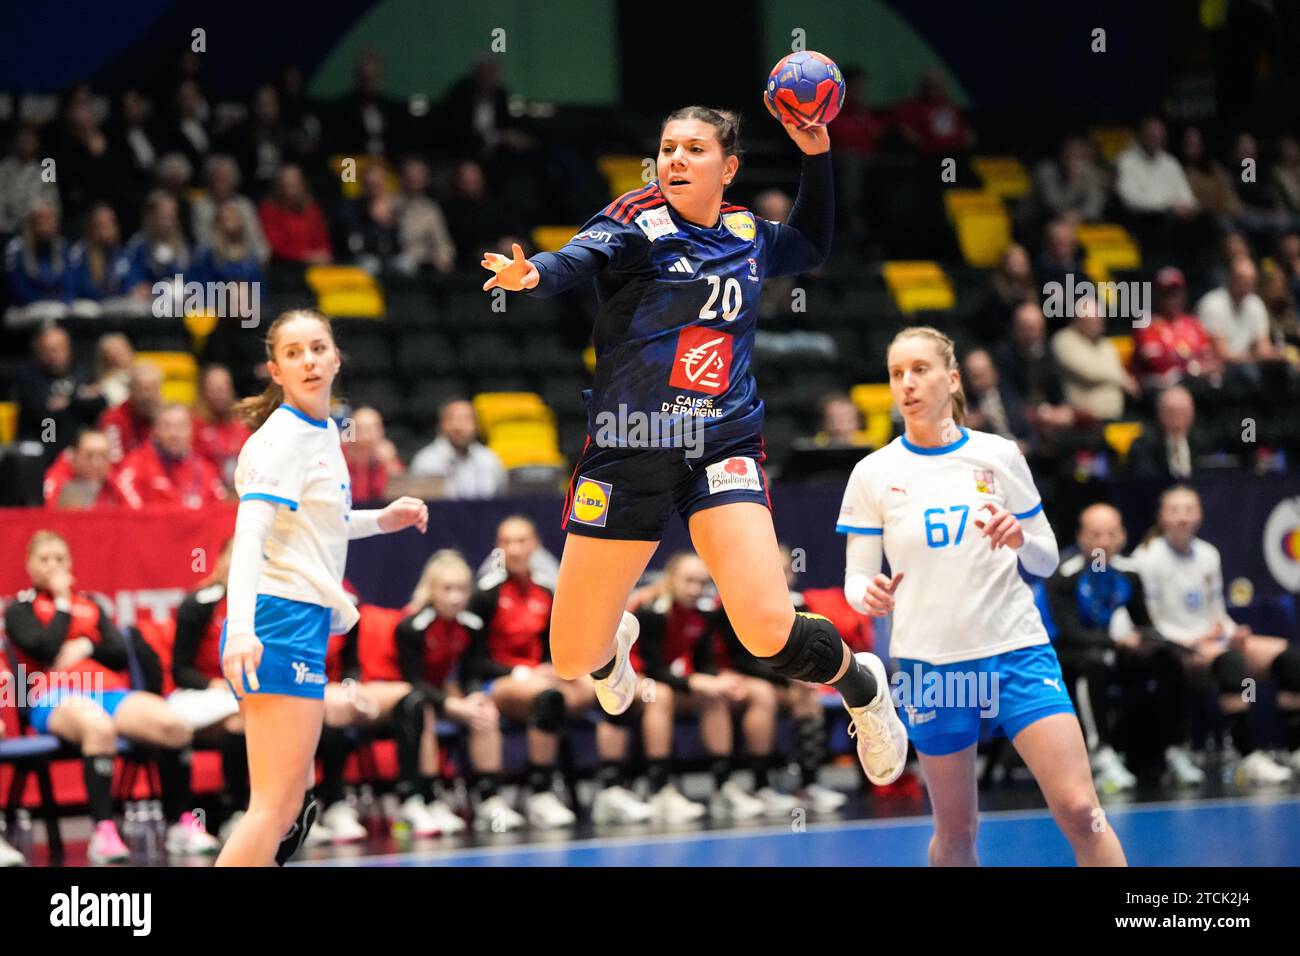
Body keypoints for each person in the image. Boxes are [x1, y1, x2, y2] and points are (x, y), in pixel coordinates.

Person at [481, 103, 906, 790]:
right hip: (629, 446)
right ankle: (614, 648)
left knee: (767, 630)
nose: (675, 159)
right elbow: (579, 256)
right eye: (667, 146)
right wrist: (534, 276)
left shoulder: (745, 231)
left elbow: (812, 245)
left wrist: (818, 153)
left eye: (693, 149)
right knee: (569, 657)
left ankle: (862, 687)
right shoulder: (636, 219)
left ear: (727, 166)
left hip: (720, 443)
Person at [840, 325, 1126, 865]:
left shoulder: (998, 455)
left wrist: (1019, 537)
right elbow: (857, 580)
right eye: (897, 374)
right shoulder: (873, 472)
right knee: (957, 832)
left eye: (920, 370)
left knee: (1081, 810)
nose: (907, 383)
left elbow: (1044, 557)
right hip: (932, 667)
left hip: (1016, 652)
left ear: (951, 379)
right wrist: (867, 594)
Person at [214, 309, 428, 866]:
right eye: (293, 353)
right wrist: (239, 630)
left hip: (300, 621)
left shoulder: (323, 430)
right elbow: (250, 535)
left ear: (336, 358)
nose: (308, 360)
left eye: (317, 348)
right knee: (272, 808)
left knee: (289, 804)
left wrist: (383, 519)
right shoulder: (282, 438)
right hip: (274, 622)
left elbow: (321, 523)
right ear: (275, 369)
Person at [5, 530, 221, 863]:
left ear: (71, 563)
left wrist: (86, 645)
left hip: (106, 690)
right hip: (52, 695)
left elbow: (119, 653)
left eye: (60, 559)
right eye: (44, 560)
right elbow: (44, 649)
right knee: (99, 728)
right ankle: (103, 832)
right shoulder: (20, 608)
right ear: (29, 565)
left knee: (174, 725)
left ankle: (180, 823)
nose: (53, 566)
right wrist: (62, 603)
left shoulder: (90, 604)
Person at [1132, 486, 1300, 783]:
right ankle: (1248, 756)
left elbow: (1217, 611)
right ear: (1161, 516)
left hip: (1213, 640)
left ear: (1199, 515)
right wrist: (1195, 640)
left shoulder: (1209, 554)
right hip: (1179, 649)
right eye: (1175, 510)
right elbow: (1151, 622)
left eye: (1189, 510)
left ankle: (1294, 748)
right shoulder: (1146, 559)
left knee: (1289, 657)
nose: (1183, 518)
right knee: (1232, 663)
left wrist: (1235, 631)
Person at [1047, 504, 1204, 791]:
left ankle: (1176, 750)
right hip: (1071, 657)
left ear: (1121, 537)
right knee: (1092, 662)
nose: (1103, 543)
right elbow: (1070, 633)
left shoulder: (1129, 573)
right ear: (1081, 537)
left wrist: (1155, 642)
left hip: (1116, 653)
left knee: (1166, 660)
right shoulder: (1064, 576)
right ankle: (1101, 754)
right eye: (1095, 535)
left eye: (1110, 534)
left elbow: (1143, 623)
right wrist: (1117, 642)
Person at [459, 516, 593, 828]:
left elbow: (551, 646)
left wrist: (552, 667)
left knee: (594, 690)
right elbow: (472, 660)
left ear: (535, 545)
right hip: (499, 681)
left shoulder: (546, 591)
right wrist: (520, 672)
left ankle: (614, 787)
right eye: (507, 542)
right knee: (548, 697)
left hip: (538, 679)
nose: (515, 549)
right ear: (498, 548)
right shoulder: (485, 594)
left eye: (522, 541)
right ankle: (540, 793)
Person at [396, 550, 525, 833]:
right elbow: (412, 681)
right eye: (447, 589)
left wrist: (475, 695)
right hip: (411, 699)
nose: (455, 597)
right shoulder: (411, 626)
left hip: (446, 694)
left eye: (462, 589)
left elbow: (471, 672)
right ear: (431, 589)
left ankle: (489, 798)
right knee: (423, 711)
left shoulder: (471, 625)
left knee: (485, 711)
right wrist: (452, 705)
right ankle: (429, 799)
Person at [113, 403, 229, 509]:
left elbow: (220, 512)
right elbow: (133, 513)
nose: (174, 434)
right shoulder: (136, 465)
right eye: (167, 426)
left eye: (181, 426)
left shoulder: (206, 470)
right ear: (155, 431)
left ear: (191, 431)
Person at [408, 398, 508, 499]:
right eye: (451, 419)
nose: (458, 426)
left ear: (476, 426)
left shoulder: (489, 459)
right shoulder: (425, 461)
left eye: (466, 419)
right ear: (441, 425)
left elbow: (500, 501)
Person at [1126, 385, 1209, 483]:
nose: (1178, 419)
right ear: (1160, 413)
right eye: (1171, 412)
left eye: (1184, 412)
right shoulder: (1143, 445)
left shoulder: (1203, 442)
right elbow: (1145, 481)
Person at [192, 364, 252, 486]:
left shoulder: (242, 427)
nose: (219, 394)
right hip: (206, 489)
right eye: (213, 389)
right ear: (204, 392)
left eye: (223, 388)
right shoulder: (194, 427)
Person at [42, 427, 125, 509]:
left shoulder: (117, 483)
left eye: (104, 456)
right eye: (89, 456)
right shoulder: (57, 481)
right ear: (74, 457)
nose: (97, 463)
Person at [97, 361, 162, 465]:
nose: (147, 396)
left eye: (152, 389)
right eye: (141, 389)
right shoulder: (114, 418)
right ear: (130, 391)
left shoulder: (166, 418)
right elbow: (115, 464)